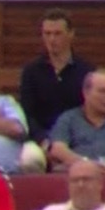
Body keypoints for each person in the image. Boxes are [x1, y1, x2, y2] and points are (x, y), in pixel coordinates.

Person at [18, 8, 95, 145]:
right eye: (47, 34)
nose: (52, 39)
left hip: (77, 139)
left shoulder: (86, 71)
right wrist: (42, 139)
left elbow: (90, 111)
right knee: (30, 161)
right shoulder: (31, 71)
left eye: (57, 34)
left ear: (71, 34)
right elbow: (27, 113)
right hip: (41, 140)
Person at [47, 69, 105, 176]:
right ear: (86, 93)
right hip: (78, 177)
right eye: (103, 91)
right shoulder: (68, 118)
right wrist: (87, 165)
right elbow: (58, 149)